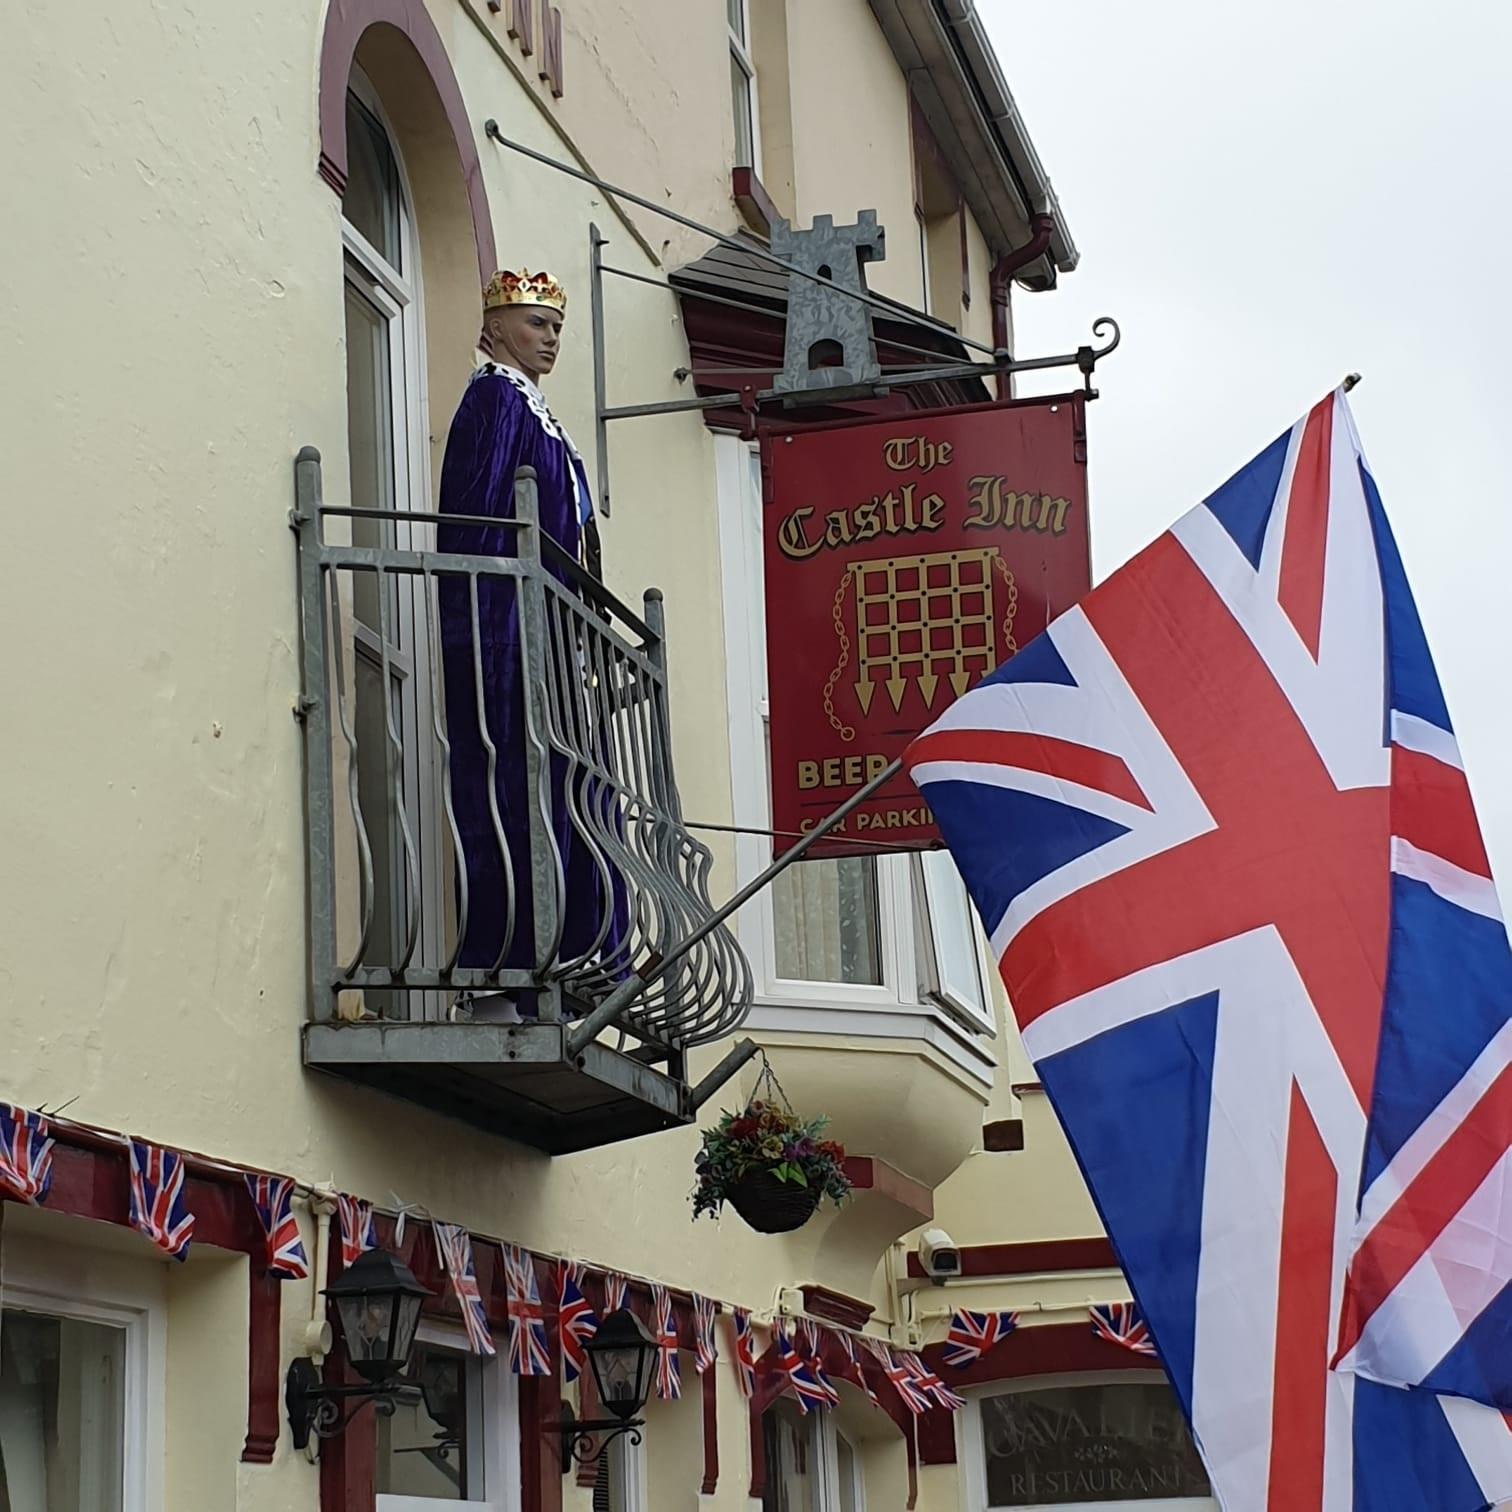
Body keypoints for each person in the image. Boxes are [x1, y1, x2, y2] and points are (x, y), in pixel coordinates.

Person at [437, 269, 623, 1010]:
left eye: (556, 328)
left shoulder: (540, 412)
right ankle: (506, 957)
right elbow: (482, 513)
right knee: (514, 781)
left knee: (564, 789)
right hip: (508, 627)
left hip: (553, 635)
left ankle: (574, 948)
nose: (550, 339)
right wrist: (502, 617)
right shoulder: (495, 398)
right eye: (536, 324)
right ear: (496, 326)